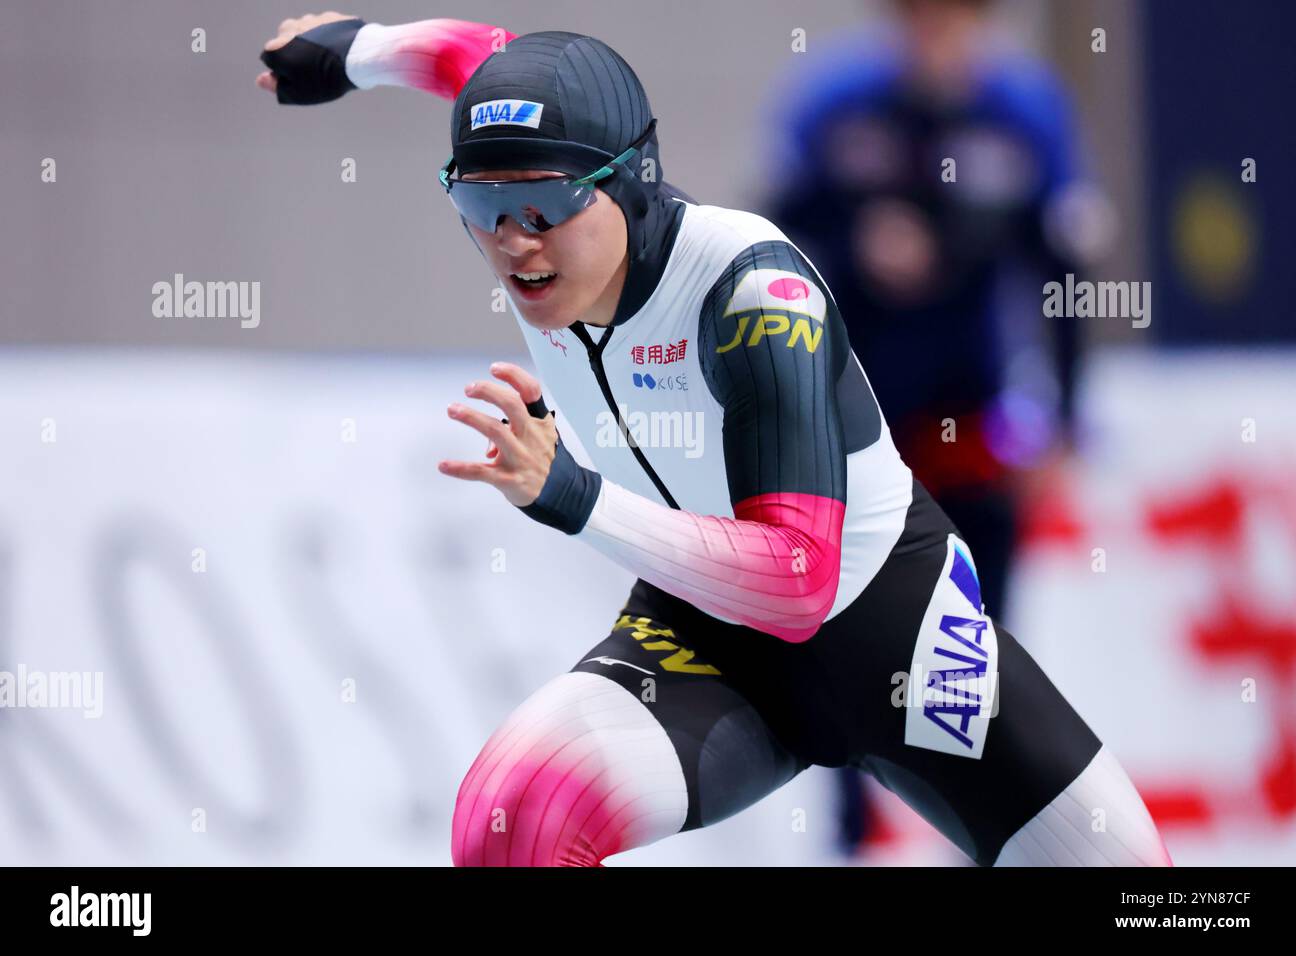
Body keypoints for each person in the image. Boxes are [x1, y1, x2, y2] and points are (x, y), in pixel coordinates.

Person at [257, 12, 1171, 867]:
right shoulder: (550, 216)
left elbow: (800, 581)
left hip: (893, 640)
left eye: (542, 205)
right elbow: (475, 57)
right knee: (509, 822)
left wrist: (571, 495)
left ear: (627, 183)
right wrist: (351, 51)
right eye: (481, 206)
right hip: (705, 640)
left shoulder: (754, 298)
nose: (512, 244)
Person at [764, 0, 1111, 857]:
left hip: (973, 422)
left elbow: (1062, 273)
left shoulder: (1026, 115)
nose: (937, 35)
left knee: (974, 644)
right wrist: (854, 246)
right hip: (854, 417)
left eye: (954, 18)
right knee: (842, 638)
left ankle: (982, 833)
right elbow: (765, 249)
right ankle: (850, 839)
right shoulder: (834, 104)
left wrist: (1063, 421)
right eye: (921, 17)